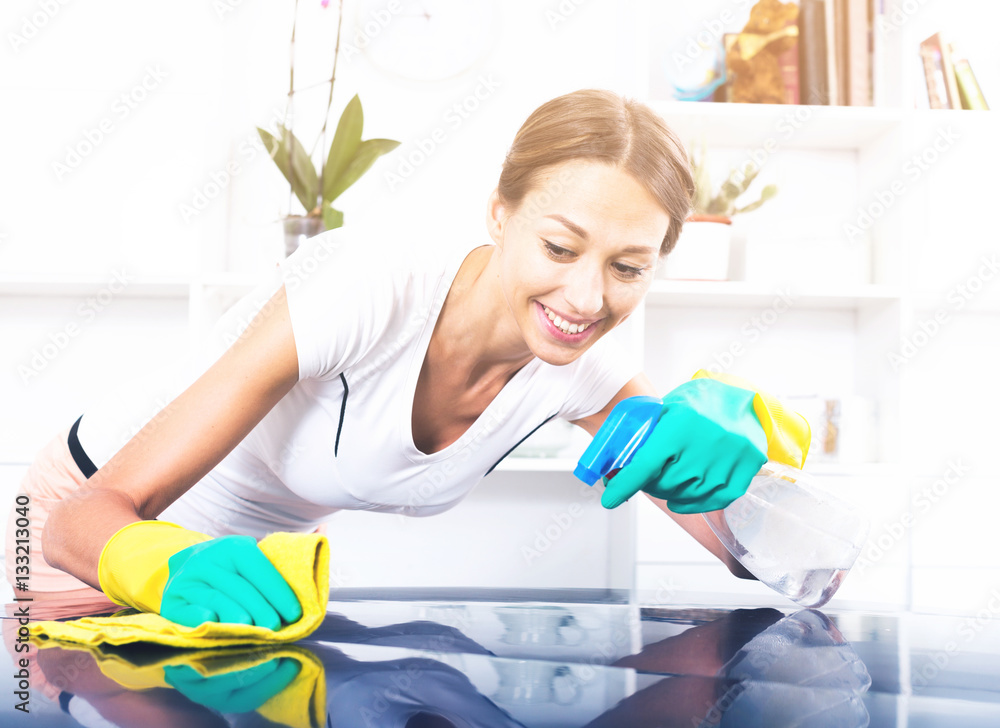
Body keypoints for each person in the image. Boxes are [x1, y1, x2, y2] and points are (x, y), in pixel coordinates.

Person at [8, 88, 810, 629]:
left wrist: (756, 471)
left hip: (237, 579)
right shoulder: (366, 286)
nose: (586, 297)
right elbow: (85, 515)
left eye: (628, 267)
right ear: (501, 215)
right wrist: (151, 565)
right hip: (89, 519)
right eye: (560, 246)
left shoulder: (585, 365)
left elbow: (776, 567)